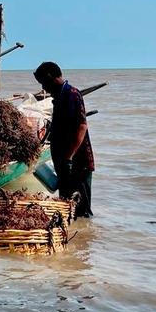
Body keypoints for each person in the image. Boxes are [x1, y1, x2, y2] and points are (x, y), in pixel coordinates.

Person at [33, 61, 94, 217]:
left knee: (81, 210)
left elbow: (82, 127)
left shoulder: (71, 94)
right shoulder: (59, 97)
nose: (43, 88)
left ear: (49, 77)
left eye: (43, 83)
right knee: (67, 207)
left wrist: (68, 157)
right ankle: (74, 238)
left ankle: (85, 239)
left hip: (77, 163)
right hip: (65, 164)